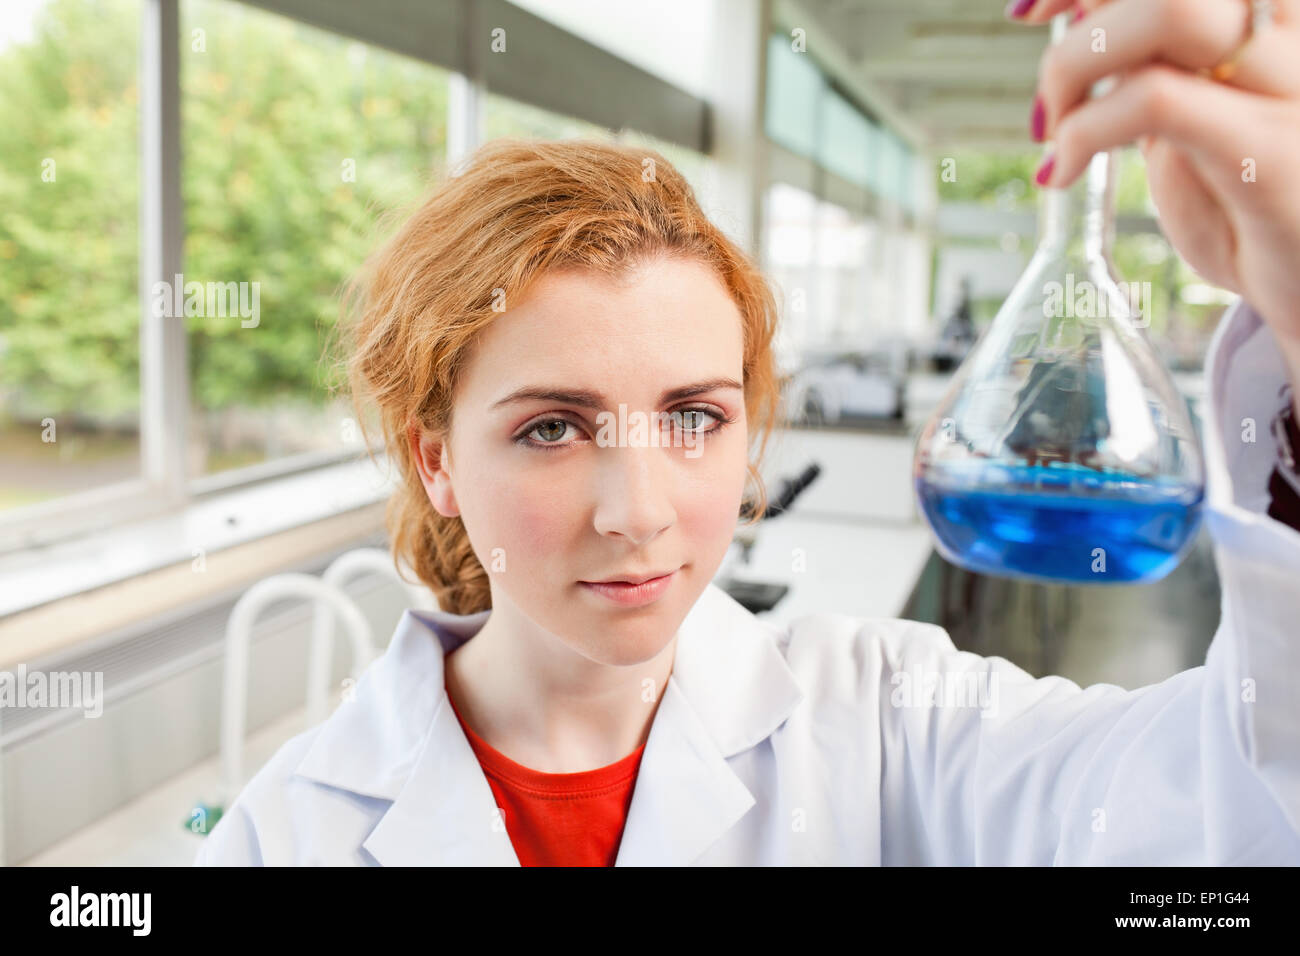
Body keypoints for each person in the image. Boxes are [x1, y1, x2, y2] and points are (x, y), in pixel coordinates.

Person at [195, 0, 1300, 865]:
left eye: (693, 416)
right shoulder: (287, 833)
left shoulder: (884, 719)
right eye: (550, 428)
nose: (640, 511)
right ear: (434, 456)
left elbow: (1234, 812)